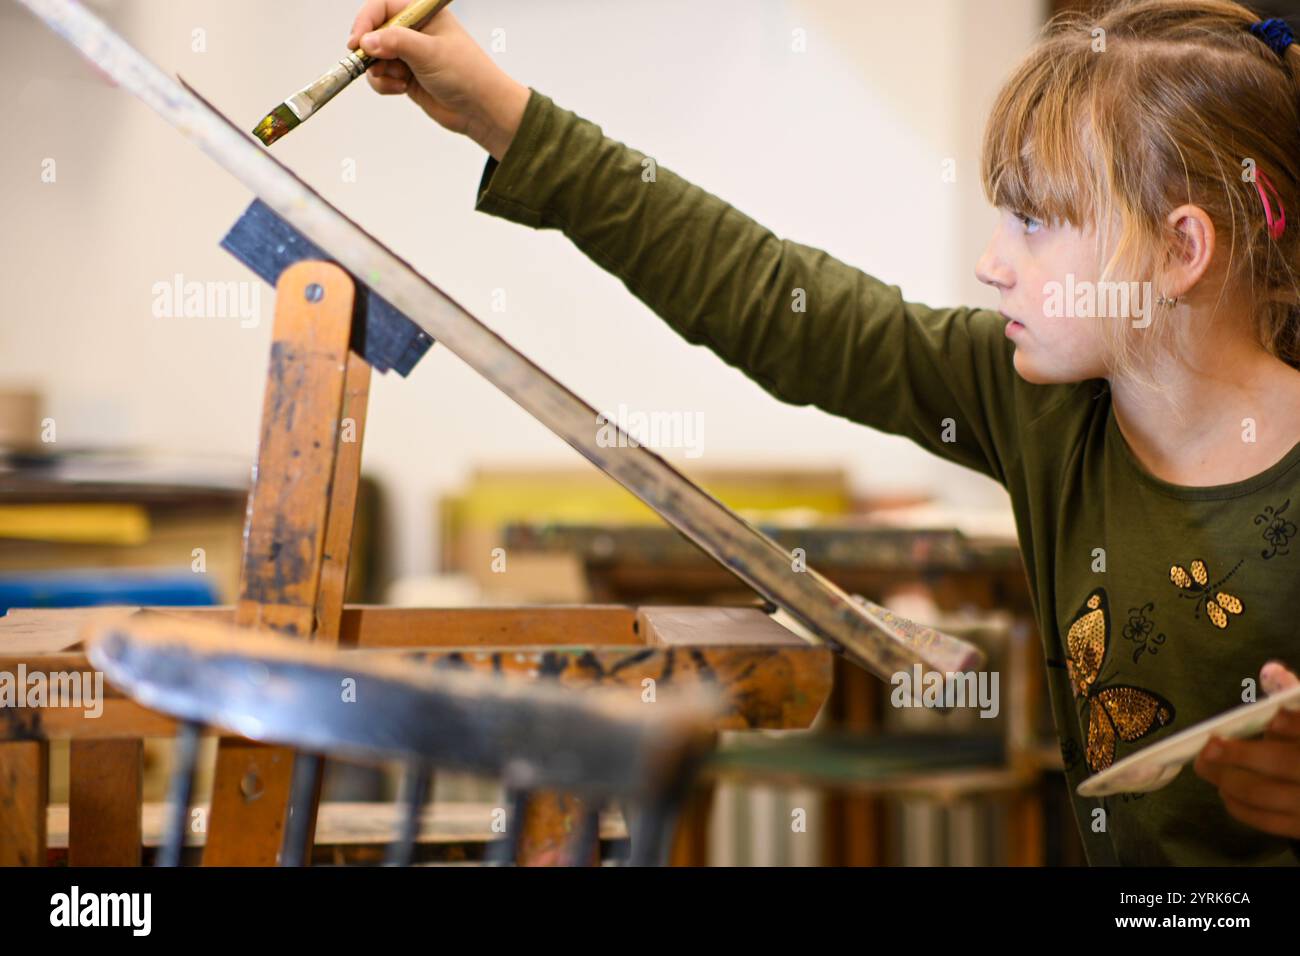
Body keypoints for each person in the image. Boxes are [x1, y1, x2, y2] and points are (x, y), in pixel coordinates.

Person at [347, 0, 1300, 865]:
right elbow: (774, 301)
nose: (990, 262)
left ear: (1180, 250)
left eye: (1035, 222)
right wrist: (501, 113)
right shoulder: (1038, 404)